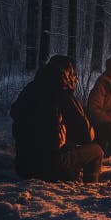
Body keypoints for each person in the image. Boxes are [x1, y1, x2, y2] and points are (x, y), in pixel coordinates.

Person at [10, 55, 103, 183]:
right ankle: (91, 188)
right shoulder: (63, 95)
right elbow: (86, 135)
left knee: (63, 146)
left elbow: (16, 114)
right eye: (73, 76)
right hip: (50, 167)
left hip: (23, 165)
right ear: (68, 75)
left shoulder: (30, 89)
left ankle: (67, 171)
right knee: (96, 151)